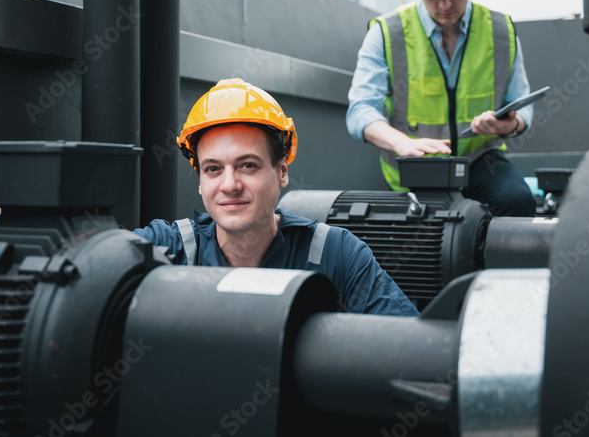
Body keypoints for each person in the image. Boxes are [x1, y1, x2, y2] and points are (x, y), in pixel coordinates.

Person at [133, 78, 419, 317]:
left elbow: (407, 346)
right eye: (213, 169)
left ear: (282, 171)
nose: (229, 185)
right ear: (200, 181)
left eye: (248, 165)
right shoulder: (168, 248)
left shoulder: (336, 255)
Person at [346, 0, 536, 217]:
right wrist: (402, 143)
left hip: (479, 160)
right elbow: (360, 110)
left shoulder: (500, 32)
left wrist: (509, 125)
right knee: (425, 237)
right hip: (413, 168)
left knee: (516, 202)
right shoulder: (387, 33)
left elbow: (522, 106)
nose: (445, 3)